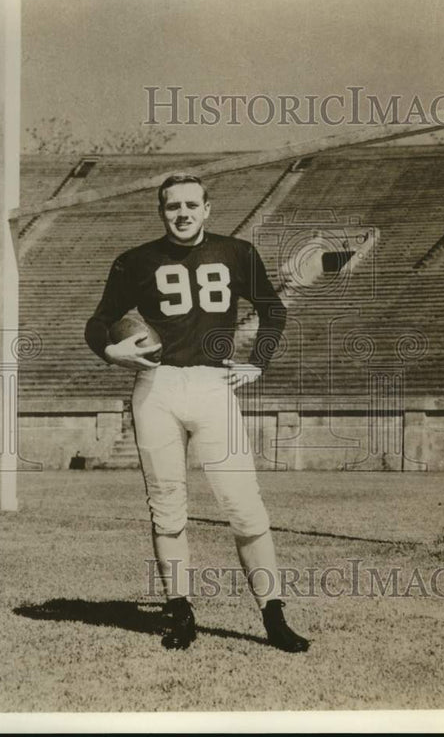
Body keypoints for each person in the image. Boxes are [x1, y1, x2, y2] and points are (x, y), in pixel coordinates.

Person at [85, 173, 309, 653]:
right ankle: (180, 612)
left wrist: (257, 363)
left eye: (191, 204)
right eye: (172, 207)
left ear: (208, 208)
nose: (182, 213)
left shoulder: (237, 252)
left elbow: (273, 309)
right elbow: (98, 321)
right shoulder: (134, 261)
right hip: (157, 386)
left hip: (212, 384)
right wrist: (112, 352)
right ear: (161, 211)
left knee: (245, 507)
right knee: (167, 509)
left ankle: (273, 615)